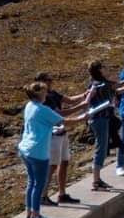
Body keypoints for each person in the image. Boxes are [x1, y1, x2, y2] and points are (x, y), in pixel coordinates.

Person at [18, 81, 87, 218]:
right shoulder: (42, 109)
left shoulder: (29, 106)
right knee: (39, 184)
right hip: (38, 151)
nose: (47, 94)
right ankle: (36, 215)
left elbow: (42, 125)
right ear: (40, 95)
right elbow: (64, 121)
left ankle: (29, 212)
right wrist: (82, 118)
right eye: (45, 92)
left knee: (31, 183)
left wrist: (53, 129)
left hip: (25, 149)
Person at [85, 60, 124, 191]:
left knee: (102, 147)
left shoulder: (100, 83)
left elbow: (118, 89)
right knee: (100, 149)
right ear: (100, 70)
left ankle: (98, 179)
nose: (107, 68)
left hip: (103, 119)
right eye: (104, 66)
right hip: (99, 119)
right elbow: (119, 85)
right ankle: (96, 181)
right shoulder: (99, 84)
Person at [35, 72, 91, 207]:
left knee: (64, 162)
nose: (51, 82)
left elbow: (69, 99)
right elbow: (60, 114)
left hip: (62, 133)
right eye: (48, 80)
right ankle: (43, 195)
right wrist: (81, 108)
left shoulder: (53, 94)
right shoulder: (43, 99)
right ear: (41, 81)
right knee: (52, 165)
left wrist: (85, 95)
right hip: (53, 135)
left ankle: (62, 194)